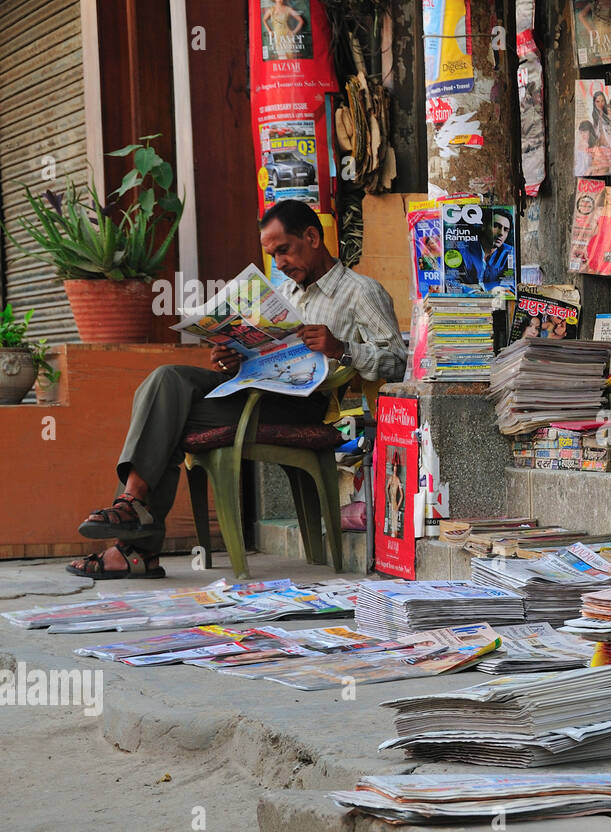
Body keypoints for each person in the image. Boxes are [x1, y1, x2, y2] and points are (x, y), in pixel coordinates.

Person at [68, 200, 408, 579]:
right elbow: (267, 354)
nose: (278, 263)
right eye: (271, 254)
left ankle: (133, 534)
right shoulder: (287, 296)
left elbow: (398, 361)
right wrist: (235, 358)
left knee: (167, 415)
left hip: (303, 404)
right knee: (165, 380)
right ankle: (133, 514)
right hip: (256, 391)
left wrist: (340, 347)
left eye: (284, 250)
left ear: (312, 237)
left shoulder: (362, 291)